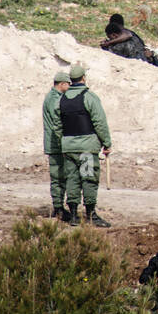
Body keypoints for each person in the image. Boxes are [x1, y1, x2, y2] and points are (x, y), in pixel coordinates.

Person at [54, 65, 113, 227]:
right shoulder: (89, 97)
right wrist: (106, 143)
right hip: (86, 147)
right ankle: (91, 214)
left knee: (72, 179)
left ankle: (73, 215)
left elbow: (57, 125)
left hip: (68, 147)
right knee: (88, 179)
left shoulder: (62, 99)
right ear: (84, 78)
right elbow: (99, 122)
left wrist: (64, 142)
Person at [42, 70, 70, 221]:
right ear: (62, 84)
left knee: (60, 176)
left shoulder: (55, 97)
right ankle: (58, 207)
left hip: (55, 143)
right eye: (68, 84)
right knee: (58, 176)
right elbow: (57, 121)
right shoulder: (54, 99)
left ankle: (59, 206)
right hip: (55, 144)